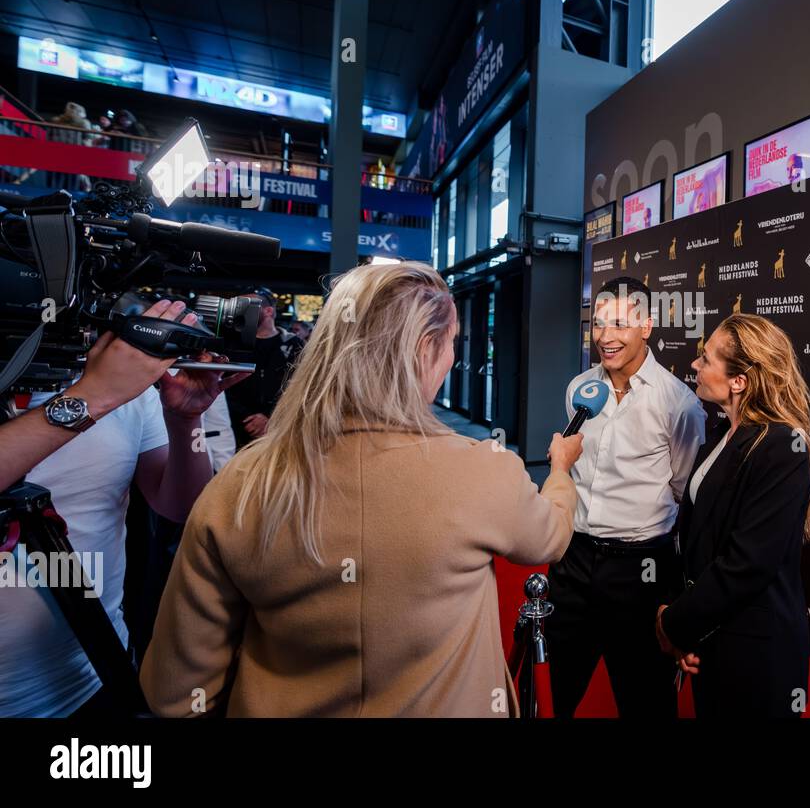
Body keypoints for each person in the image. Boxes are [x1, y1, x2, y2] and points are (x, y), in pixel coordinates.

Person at [140, 262, 584, 717]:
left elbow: (174, 692)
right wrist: (561, 472)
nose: (452, 358)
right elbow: (547, 538)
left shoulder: (240, 483)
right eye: (450, 342)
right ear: (425, 349)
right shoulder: (483, 470)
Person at [0, 299, 248, 717]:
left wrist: (186, 421)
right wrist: (92, 397)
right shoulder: (107, 385)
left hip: (92, 674)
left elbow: (180, 506)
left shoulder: (125, 387)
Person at [548, 276, 705, 718]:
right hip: (571, 560)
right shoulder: (578, 388)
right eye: (598, 324)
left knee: (646, 700)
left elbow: (681, 489)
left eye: (619, 323)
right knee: (554, 689)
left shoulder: (679, 404)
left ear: (647, 326)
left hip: (641, 571)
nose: (605, 337)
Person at [655, 313, 810, 718]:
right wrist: (687, 627)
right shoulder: (720, 435)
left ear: (739, 381)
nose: (695, 365)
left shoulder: (782, 449)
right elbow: (698, 541)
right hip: (711, 638)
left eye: (706, 359)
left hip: (756, 652)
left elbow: (746, 565)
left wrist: (672, 624)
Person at [224, 287, 304, 448]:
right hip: (234, 429)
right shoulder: (230, 345)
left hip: (280, 429)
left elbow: (301, 386)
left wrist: (270, 416)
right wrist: (247, 417)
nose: (241, 309)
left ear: (268, 311)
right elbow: (221, 386)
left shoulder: (293, 345)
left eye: (247, 305)